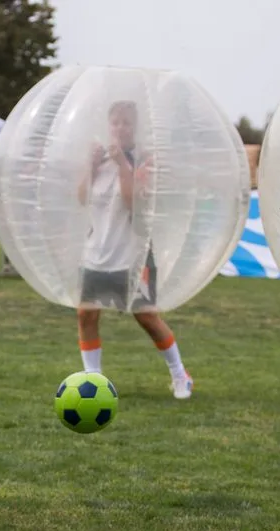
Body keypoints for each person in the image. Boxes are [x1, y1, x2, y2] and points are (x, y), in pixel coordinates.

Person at [75, 100, 193, 399]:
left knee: (147, 317)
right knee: (86, 315)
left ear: (135, 127)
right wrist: (90, 165)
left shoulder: (143, 161)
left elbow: (134, 205)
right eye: (115, 122)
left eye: (126, 122)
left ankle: (180, 374)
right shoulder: (99, 161)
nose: (120, 128)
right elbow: (80, 198)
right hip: (97, 251)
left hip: (133, 254)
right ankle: (94, 379)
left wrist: (123, 166)